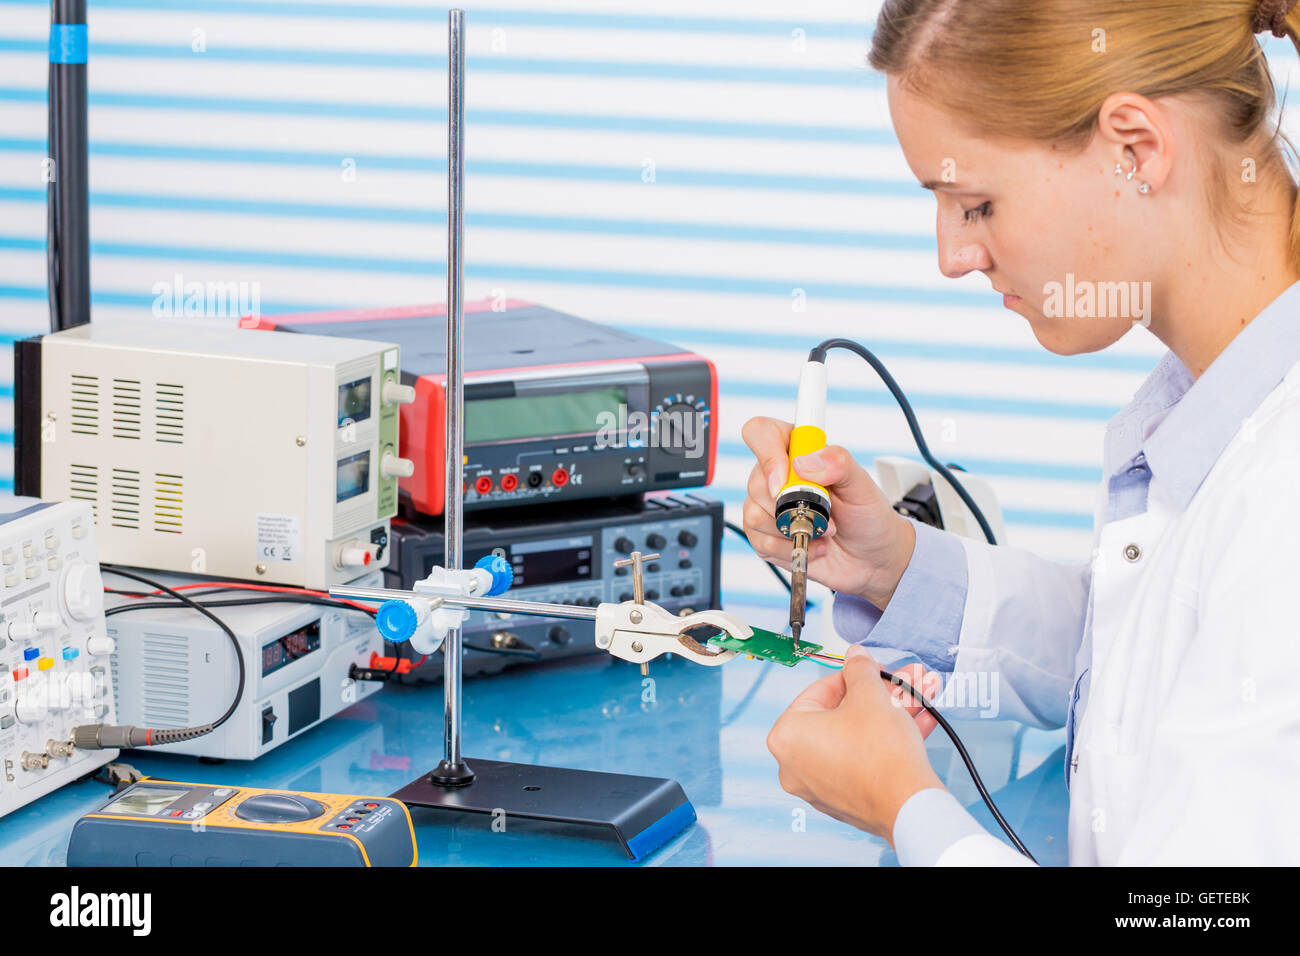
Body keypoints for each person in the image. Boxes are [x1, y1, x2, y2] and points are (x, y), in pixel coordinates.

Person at [742, 0, 1300, 865]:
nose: (952, 256)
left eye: (976, 204)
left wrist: (907, 810)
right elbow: (1154, 643)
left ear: (1135, 149)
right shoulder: (1222, 406)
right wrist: (891, 563)